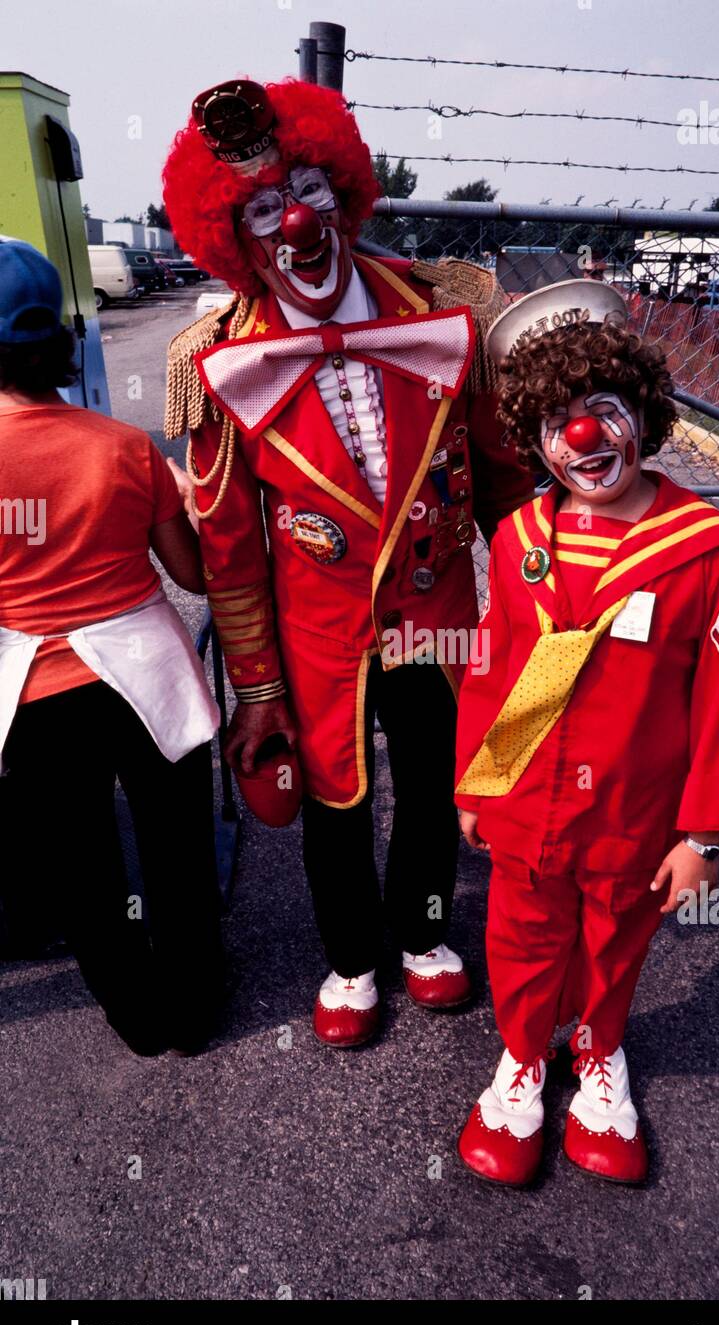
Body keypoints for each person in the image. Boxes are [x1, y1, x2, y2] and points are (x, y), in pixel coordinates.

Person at [162, 77, 532, 1048]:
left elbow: (498, 480)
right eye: (257, 206)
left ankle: (418, 937)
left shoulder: (444, 311)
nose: (292, 219)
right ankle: (352, 958)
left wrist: (548, 594)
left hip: (438, 610)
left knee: (428, 778)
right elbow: (232, 556)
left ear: (343, 191)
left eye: (307, 190)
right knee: (336, 797)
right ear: (234, 234)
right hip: (318, 634)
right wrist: (255, 689)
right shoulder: (216, 365)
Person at [454, 280, 719, 1186]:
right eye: (557, 421)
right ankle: (521, 1059)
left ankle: (599, 1056)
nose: (584, 439)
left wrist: (702, 835)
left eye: (602, 411)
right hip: (528, 806)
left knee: (613, 941)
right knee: (519, 937)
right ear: (532, 437)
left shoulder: (710, 555)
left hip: (637, 814)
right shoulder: (522, 536)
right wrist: (479, 786)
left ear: (644, 409)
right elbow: (499, 671)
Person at [0, 240, 224, 1056]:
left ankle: (137, 1015)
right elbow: (192, 576)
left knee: (84, 869)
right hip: (145, 679)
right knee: (176, 851)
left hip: (32, 691)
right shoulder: (124, 449)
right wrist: (200, 506)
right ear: (58, 342)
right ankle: (195, 1004)